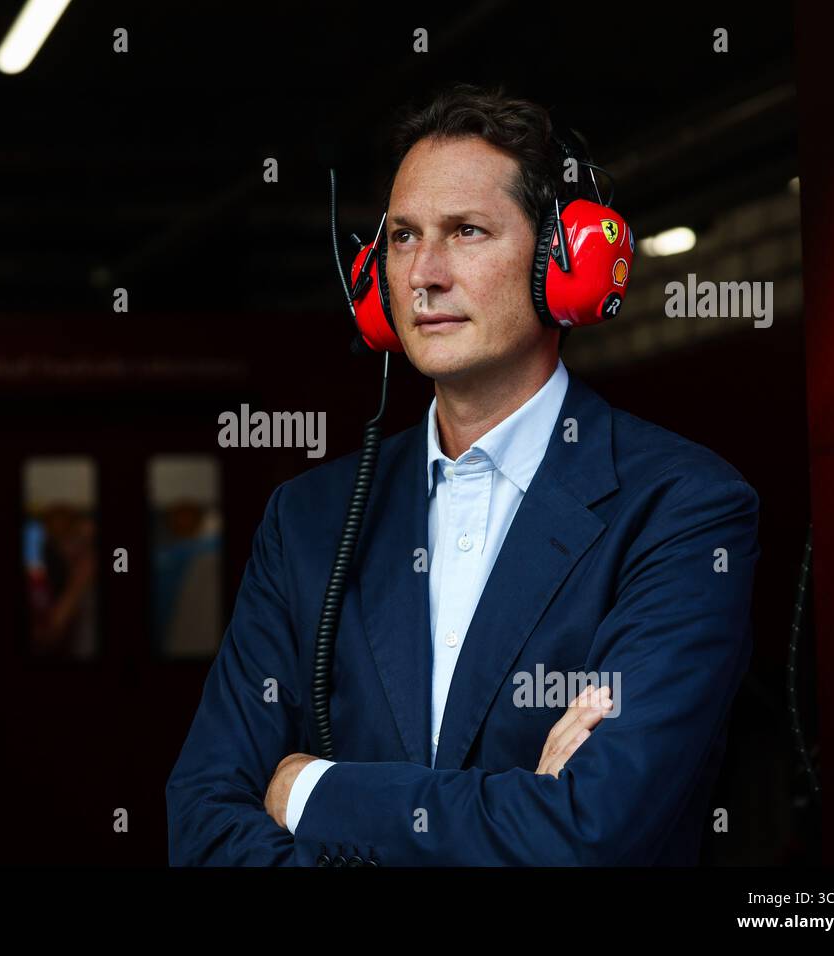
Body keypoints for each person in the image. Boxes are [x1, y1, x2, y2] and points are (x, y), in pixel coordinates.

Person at [166, 83, 760, 866]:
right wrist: (521, 814)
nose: (423, 273)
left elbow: (590, 832)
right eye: (404, 237)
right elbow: (202, 821)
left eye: (467, 231)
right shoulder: (306, 519)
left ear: (564, 261)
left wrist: (309, 790)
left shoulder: (683, 510)